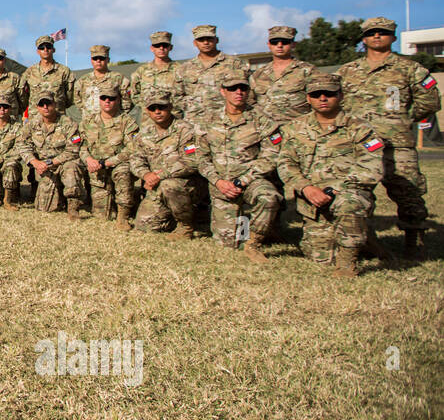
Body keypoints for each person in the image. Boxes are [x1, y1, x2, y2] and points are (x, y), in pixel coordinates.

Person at [336, 16, 440, 260]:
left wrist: (402, 119)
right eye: (371, 33)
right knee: (354, 193)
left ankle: (414, 242)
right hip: (358, 145)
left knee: (408, 194)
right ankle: (364, 241)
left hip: (397, 144)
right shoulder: (346, 71)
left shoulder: (410, 69)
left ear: (393, 37)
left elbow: (430, 101)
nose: (376, 36)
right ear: (364, 39)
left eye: (382, 32)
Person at [276, 75, 385, 277]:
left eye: (329, 93)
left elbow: (372, 167)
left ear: (340, 95)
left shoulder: (361, 128)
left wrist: (336, 189)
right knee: (320, 257)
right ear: (308, 98)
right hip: (313, 201)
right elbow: (286, 164)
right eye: (316, 94)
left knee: (350, 204)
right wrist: (306, 188)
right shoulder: (294, 128)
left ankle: (347, 265)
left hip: (347, 194)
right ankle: (364, 237)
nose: (323, 98)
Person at [193, 71, 282, 264]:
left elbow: (271, 155)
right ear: (223, 91)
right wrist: (218, 181)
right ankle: (244, 227)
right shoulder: (207, 120)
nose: (238, 92)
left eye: (243, 88)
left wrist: (243, 180)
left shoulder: (262, 120)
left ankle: (254, 243)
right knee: (228, 245)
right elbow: (200, 158)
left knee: (269, 197)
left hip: (252, 181)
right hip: (221, 186)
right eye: (233, 88)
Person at [128, 92, 198, 238]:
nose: (157, 111)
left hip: (185, 185)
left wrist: (160, 176)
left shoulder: (185, 130)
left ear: (170, 107)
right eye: (152, 108)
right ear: (147, 111)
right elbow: (136, 159)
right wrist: (146, 175)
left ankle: (186, 226)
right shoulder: (144, 134)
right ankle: (173, 216)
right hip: (156, 186)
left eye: (162, 107)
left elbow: (192, 161)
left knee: (169, 185)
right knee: (144, 226)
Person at [79, 79, 140, 227]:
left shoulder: (127, 122)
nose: (107, 101)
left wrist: (108, 162)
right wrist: (89, 160)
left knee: (123, 171)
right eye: (104, 98)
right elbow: (81, 147)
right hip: (97, 170)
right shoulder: (87, 122)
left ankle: (123, 216)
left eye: (111, 98)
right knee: (102, 216)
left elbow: (133, 149)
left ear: (118, 100)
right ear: (99, 100)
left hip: (118, 165)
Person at [16, 92, 84, 217]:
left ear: (55, 104)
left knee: (71, 170)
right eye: (42, 104)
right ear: (37, 107)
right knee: (44, 208)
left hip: (64, 163)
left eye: (48, 103)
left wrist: (51, 162)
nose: (45, 107)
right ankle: (60, 196)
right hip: (44, 167)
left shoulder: (68, 123)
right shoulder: (32, 124)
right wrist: (35, 162)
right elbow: (22, 144)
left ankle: (73, 207)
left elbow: (73, 149)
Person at [174, 25, 253, 129]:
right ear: (195, 43)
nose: (206, 42)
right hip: (195, 125)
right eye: (201, 40)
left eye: (209, 39)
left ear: (217, 40)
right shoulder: (184, 69)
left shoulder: (235, 64)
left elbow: (251, 93)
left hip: (228, 124)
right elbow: (176, 98)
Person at [249, 25, 315, 128]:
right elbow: (250, 102)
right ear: (269, 45)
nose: (279, 45)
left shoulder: (307, 71)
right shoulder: (258, 74)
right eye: (274, 42)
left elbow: (319, 101)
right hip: (267, 131)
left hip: (298, 130)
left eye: (285, 42)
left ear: (293, 44)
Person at [131, 31, 183, 120]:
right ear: (152, 48)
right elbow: (135, 94)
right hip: (148, 120)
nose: (161, 48)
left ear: (170, 47)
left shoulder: (181, 70)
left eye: (165, 45)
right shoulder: (142, 71)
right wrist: (148, 108)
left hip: (174, 118)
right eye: (157, 45)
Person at [72, 45, 132, 119]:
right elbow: (77, 100)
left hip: (113, 122)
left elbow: (127, 100)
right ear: (91, 60)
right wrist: (86, 114)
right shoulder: (82, 81)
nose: (98, 61)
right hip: (90, 123)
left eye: (102, 58)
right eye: (95, 58)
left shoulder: (119, 78)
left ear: (108, 60)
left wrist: (119, 116)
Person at [21, 36, 73, 111]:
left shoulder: (64, 71)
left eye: (48, 47)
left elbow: (70, 97)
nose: (45, 49)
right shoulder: (29, 72)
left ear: (53, 50)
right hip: (35, 116)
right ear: (38, 51)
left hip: (57, 115)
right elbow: (22, 96)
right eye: (42, 48)